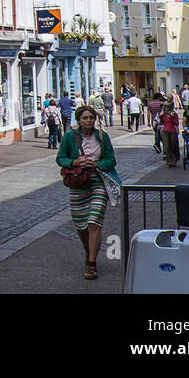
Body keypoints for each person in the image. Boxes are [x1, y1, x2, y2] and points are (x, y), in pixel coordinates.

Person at [57, 105, 120, 280]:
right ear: (79, 120)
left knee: (94, 222)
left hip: (97, 182)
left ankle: (91, 263)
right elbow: (60, 158)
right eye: (85, 118)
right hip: (77, 184)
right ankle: (88, 250)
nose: (89, 121)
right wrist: (76, 162)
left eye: (91, 118)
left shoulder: (102, 136)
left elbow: (111, 159)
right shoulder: (70, 136)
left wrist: (96, 164)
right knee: (81, 224)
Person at [159, 102, 180, 167]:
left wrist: (171, 117)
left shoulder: (174, 114)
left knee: (173, 146)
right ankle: (170, 161)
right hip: (165, 131)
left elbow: (176, 123)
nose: (166, 108)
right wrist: (161, 116)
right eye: (165, 106)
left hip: (173, 131)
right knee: (166, 147)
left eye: (168, 106)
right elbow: (161, 123)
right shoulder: (164, 114)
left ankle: (175, 158)